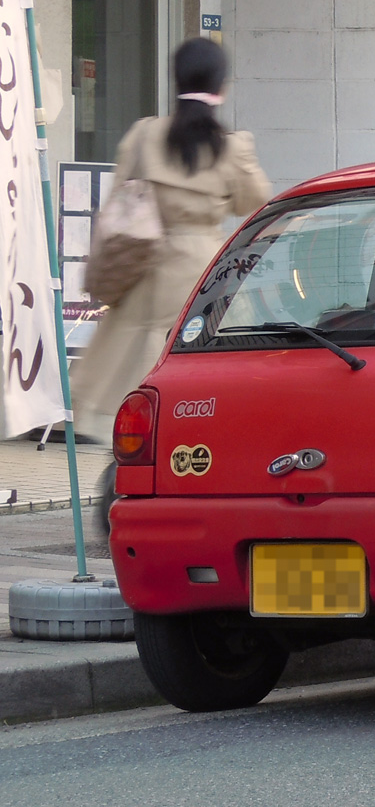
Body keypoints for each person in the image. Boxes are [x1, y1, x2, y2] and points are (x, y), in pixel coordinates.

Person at [71, 37, 270, 528]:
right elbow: (254, 200)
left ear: (175, 80)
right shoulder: (232, 147)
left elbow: (119, 202)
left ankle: (125, 483)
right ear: (221, 86)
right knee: (210, 386)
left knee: (139, 386)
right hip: (207, 280)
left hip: (149, 275)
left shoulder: (145, 136)